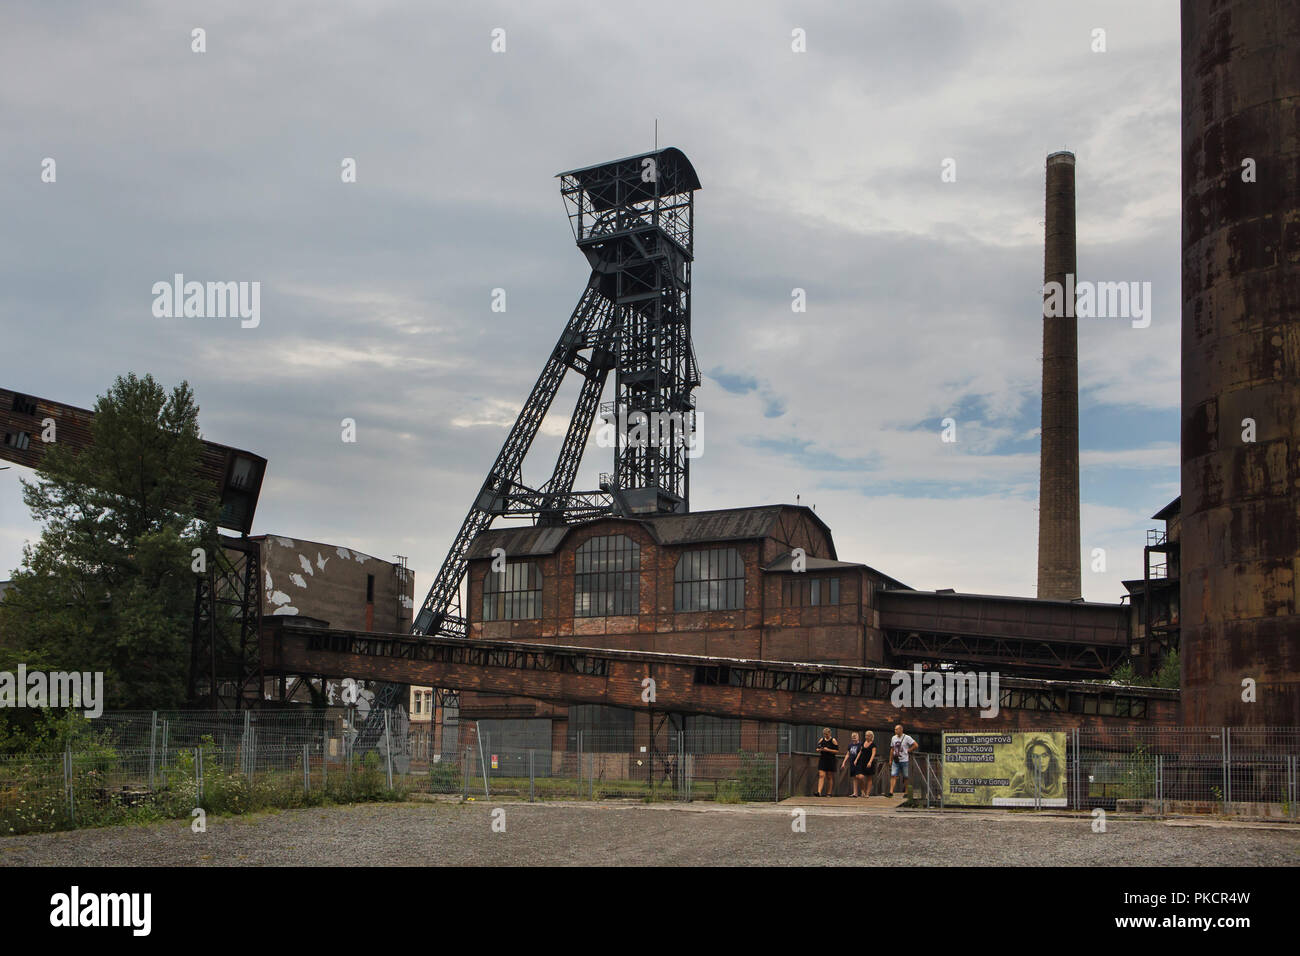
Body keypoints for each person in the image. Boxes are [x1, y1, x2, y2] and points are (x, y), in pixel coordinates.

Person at [1008, 734, 1066, 799]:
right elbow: (1008, 807)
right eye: (1035, 756)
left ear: (1052, 757)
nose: (1040, 761)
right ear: (1030, 759)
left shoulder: (1063, 785)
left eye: (1044, 755)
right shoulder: (1020, 780)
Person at [888, 723, 918, 797]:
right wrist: (890, 760)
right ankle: (891, 792)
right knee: (893, 775)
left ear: (901, 730)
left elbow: (916, 745)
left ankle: (906, 792)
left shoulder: (907, 737)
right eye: (895, 729)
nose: (895, 730)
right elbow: (892, 749)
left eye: (896, 729)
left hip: (904, 760)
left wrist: (909, 750)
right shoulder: (893, 738)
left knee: (905, 776)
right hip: (896, 759)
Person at [815, 727, 839, 797]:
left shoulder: (833, 740)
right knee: (821, 775)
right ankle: (819, 792)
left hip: (830, 760)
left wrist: (828, 750)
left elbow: (836, 751)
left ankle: (829, 793)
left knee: (829, 777)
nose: (825, 735)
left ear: (829, 733)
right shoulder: (821, 740)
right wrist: (819, 750)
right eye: (824, 734)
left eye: (826, 734)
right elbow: (817, 748)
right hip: (823, 759)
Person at [840, 732, 866, 797]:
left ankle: (863, 790)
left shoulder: (860, 744)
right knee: (854, 777)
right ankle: (855, 793)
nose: (854, 738)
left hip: (859, 762)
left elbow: (860, 752)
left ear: (858, 737)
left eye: (855, 737)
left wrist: (856, 760)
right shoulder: (850, 745)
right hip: (852, 762)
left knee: (859, 776)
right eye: (853, 737)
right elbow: (848, 754)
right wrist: (844, 762)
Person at [861, 730, 877, 796]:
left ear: (871, 737)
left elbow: (873, 754)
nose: (866, 737)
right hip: (862, 761)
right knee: (862, 777)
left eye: (868, 736)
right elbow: (860, 752)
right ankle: (863, 791)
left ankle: (867, 793)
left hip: (869, 762)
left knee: (869, 778)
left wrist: (870, 762)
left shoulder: (873, 745)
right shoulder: (863, 743)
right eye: (866, 735)